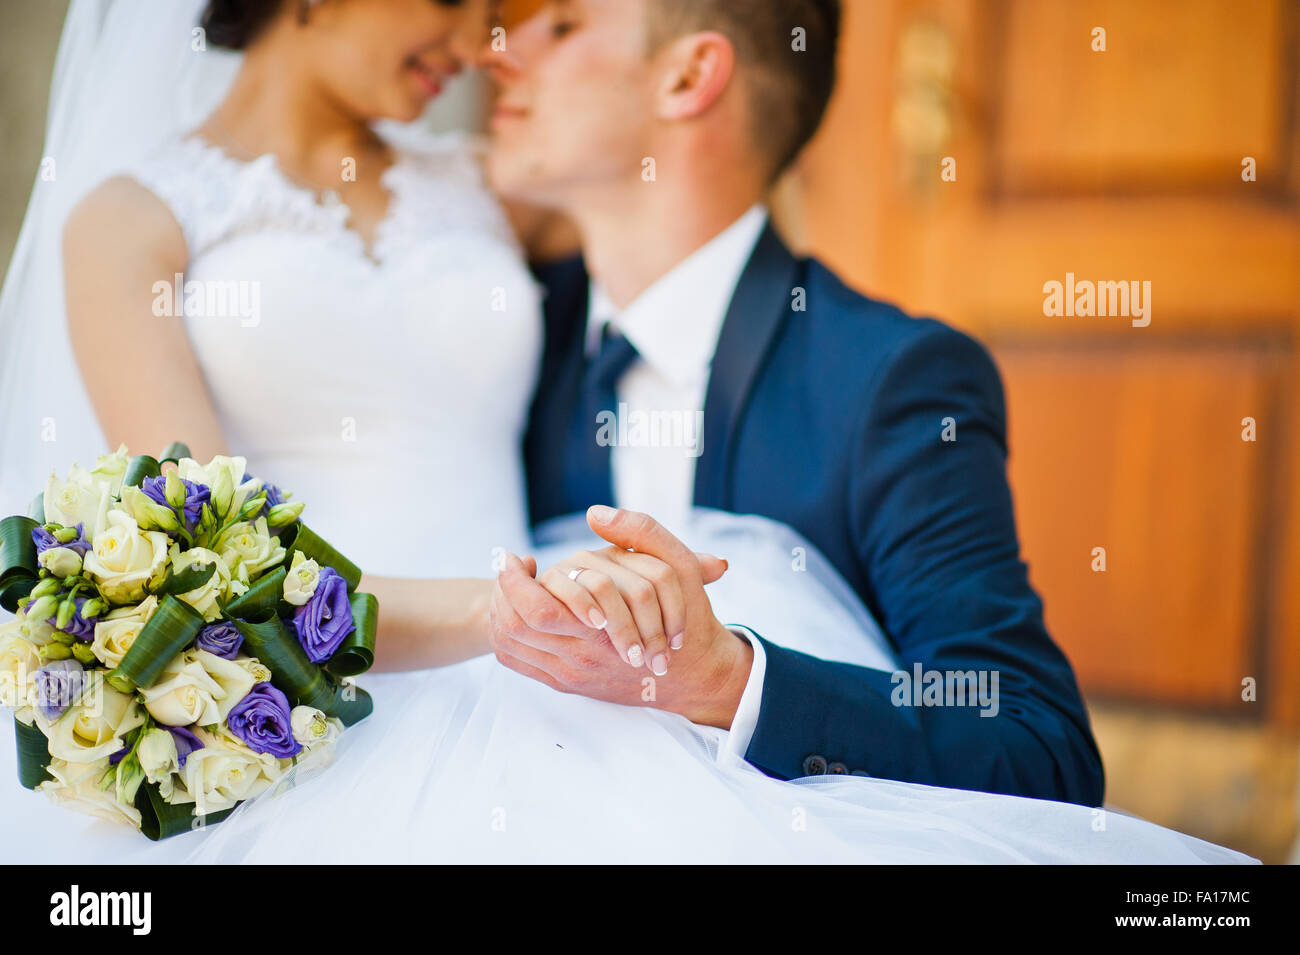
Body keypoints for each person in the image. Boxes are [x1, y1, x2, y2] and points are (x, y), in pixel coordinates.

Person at [0, 0, 1251, 864]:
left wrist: (728, 680)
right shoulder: (522, 317)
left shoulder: (885, 380)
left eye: (553, 24)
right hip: (368, 732)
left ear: (687, 75)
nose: (494, 51)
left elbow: (1036, 745)